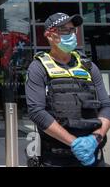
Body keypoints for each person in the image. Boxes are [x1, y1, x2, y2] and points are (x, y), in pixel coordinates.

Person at [25, 13, 110, 167]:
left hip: (93, 153)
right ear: (49, 35)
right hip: (57, 158)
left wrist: (96, 137)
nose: (70, 34)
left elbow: (106, 105)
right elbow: (36, 111)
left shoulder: (88, 67)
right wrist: (74, 143)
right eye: (64, 30)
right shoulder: (38, 67)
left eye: (72, 30)